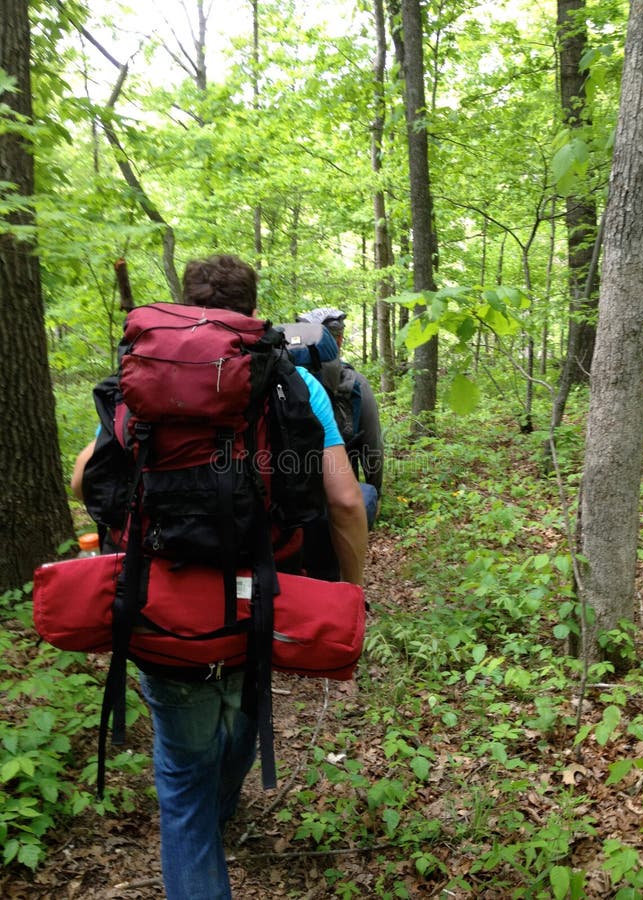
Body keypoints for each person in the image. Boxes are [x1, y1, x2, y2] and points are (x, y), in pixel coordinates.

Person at [72, 255, 368, 900]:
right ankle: (221, 806)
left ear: (185, 304)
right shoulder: (291, 381)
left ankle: (204, 822)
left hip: (159, 605)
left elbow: (82, 481)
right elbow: (346, 501)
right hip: (257, 602)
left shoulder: (140, 380)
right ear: (248, 308)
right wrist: (351, 588)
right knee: (245, 710)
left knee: (181, 781)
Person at [296, 307, 384, 529]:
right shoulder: (355, 383)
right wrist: (375, 492)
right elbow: (372, 445)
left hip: (286, 500)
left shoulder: (282, 377)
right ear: (339, 340)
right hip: (339, 495)